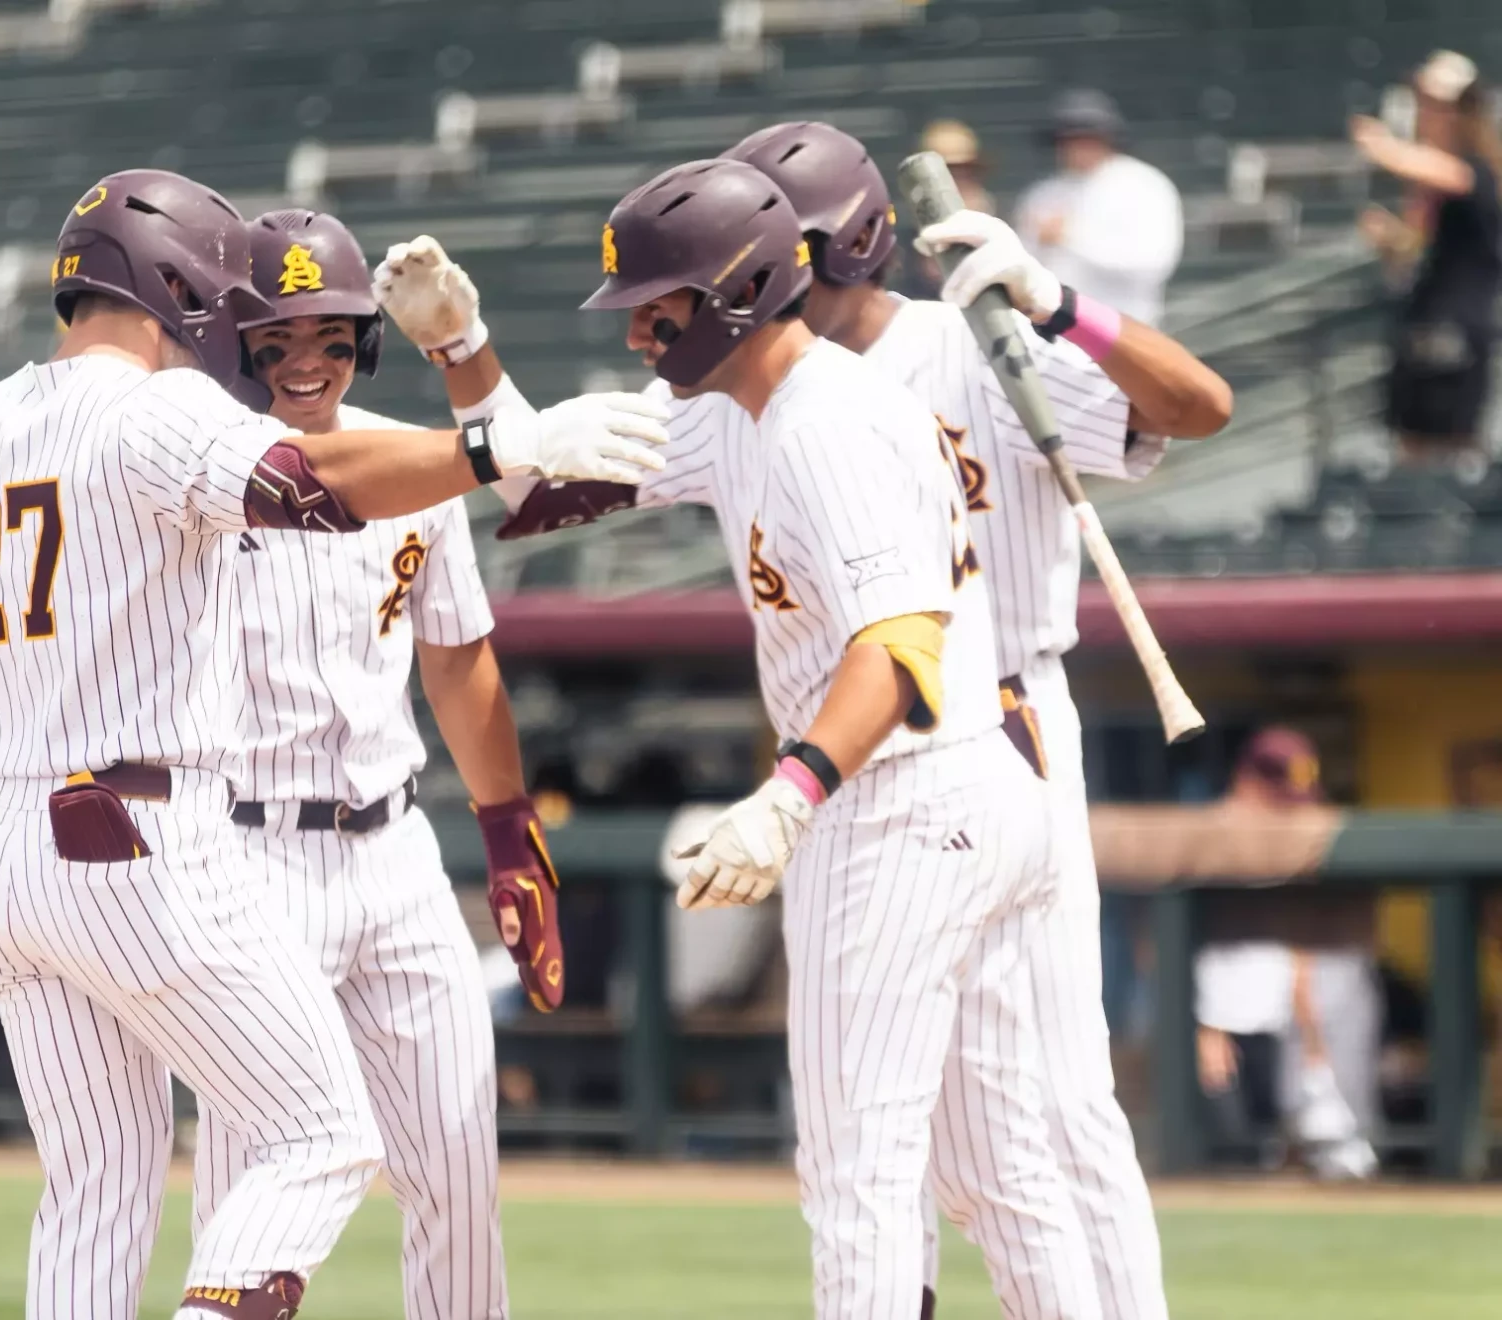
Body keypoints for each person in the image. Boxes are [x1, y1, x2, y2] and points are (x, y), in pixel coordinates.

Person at [0, 169, 667, 1320]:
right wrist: (494, 440)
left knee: (94, 1191)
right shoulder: (166, 415)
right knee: (324, 1134)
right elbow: (306, 480)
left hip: (30, 850)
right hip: (161, 841)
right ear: (179, 286)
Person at [383, 158, 1101, 1319]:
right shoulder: (733, 406)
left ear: (736, 289)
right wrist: (463, 351)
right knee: (996, 1172)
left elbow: (901, 642)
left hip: (904, 801)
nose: (636, 334)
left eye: (655, 307)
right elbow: (544, 488)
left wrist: (793, 792)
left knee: (861, 1175)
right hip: (963, 792)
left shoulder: (829, 421)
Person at [717, 120, 1232, 1320]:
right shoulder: (746, 384)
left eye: (774, 249)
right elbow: (578, 468)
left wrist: (1063, 307)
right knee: (948, 1137)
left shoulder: (973, 343)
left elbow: (1199, 406)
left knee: (1053, 1108)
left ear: (839, 250)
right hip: (855, 753)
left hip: (1001, 722)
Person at [172, 207, 553, 1320]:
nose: (305, 362)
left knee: (456, 1175)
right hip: (243, 857)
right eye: (278, 339)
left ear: (363, 343)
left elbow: (459, 658)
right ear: (235, 345)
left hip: (394, 853)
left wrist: (509, 835)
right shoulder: (186, 471)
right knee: (258, 1191)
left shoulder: (409, 467)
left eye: (331, 337)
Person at [1195, 728, 1379, 1182]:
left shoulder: (1292, 839)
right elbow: (1159, 944)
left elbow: (1299, 958)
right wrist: (1203, 1027)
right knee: (1221, 1166)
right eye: (1276, 792)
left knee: (1278, 1160)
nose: (1286, 807)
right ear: (1246, 779)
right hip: (1218, 1030)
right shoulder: (1203, 840)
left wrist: (1312, 1039)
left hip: (1275, 1030)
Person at [1352, 51, 1502, 461]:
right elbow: (1413, 249)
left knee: (1453, 445)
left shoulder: (1474, 168)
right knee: (1412, 444)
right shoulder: (1436, 181)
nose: (1425, 112)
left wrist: (1382, 145)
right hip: (1424, 322)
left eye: (1436, 104)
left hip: (1457, 330)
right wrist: (1390, 239)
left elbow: (1442, 173)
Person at [1015, 90, 1184, 326]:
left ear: (1108, 138)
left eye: (1087, 137)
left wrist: (1070, 237)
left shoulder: (1145, 186)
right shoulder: (1041, 195)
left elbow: (1152, 263)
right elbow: (1023, 267)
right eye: (1068, 140)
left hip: (1124, 332)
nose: (1077, 148)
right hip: (1053, 335)